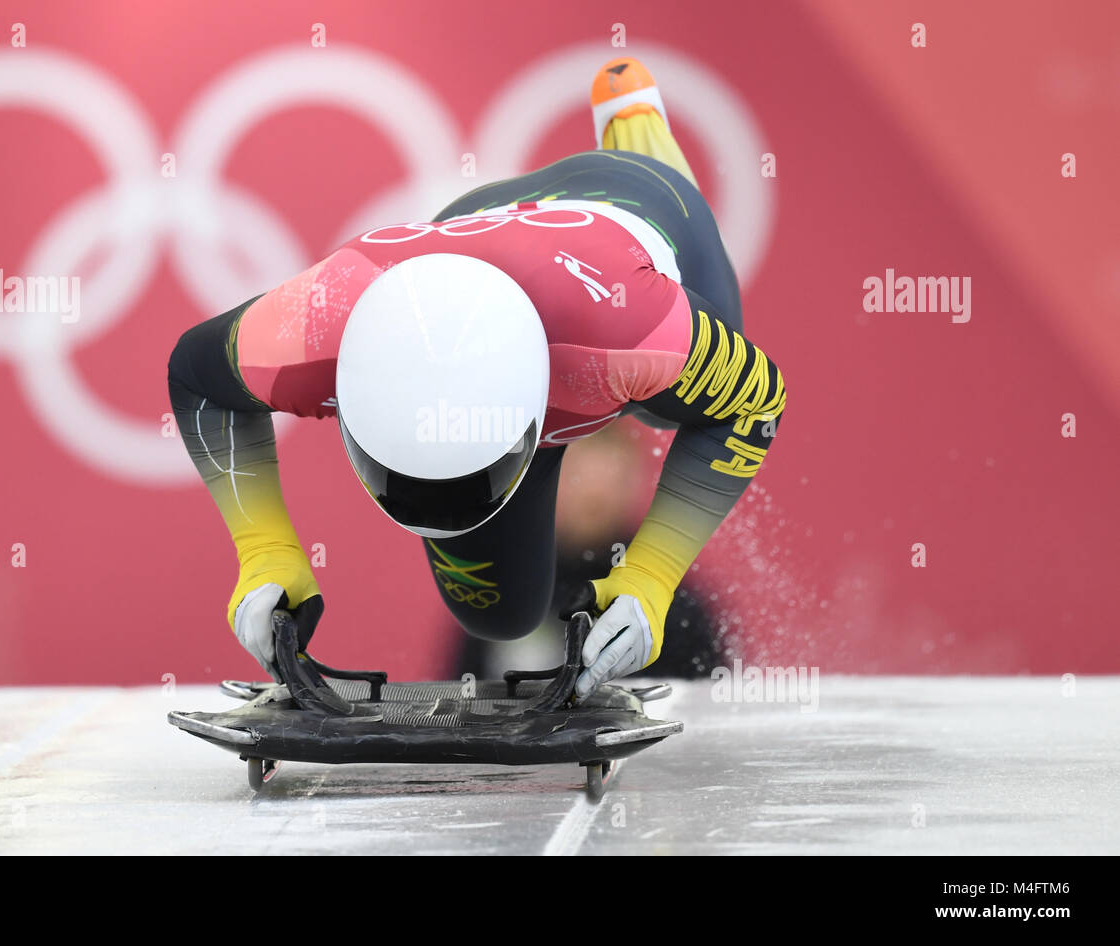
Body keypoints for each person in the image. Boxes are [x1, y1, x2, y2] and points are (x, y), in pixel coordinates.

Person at [167, 57, 787, 701]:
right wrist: (266, 553)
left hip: (640, 207)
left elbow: (756, 404)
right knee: (497, 614)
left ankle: (637, 128)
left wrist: (653, 579)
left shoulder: (626, 335)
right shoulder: (326, 319)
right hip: (475, 223)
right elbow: (198, 374)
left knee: (672, 409)